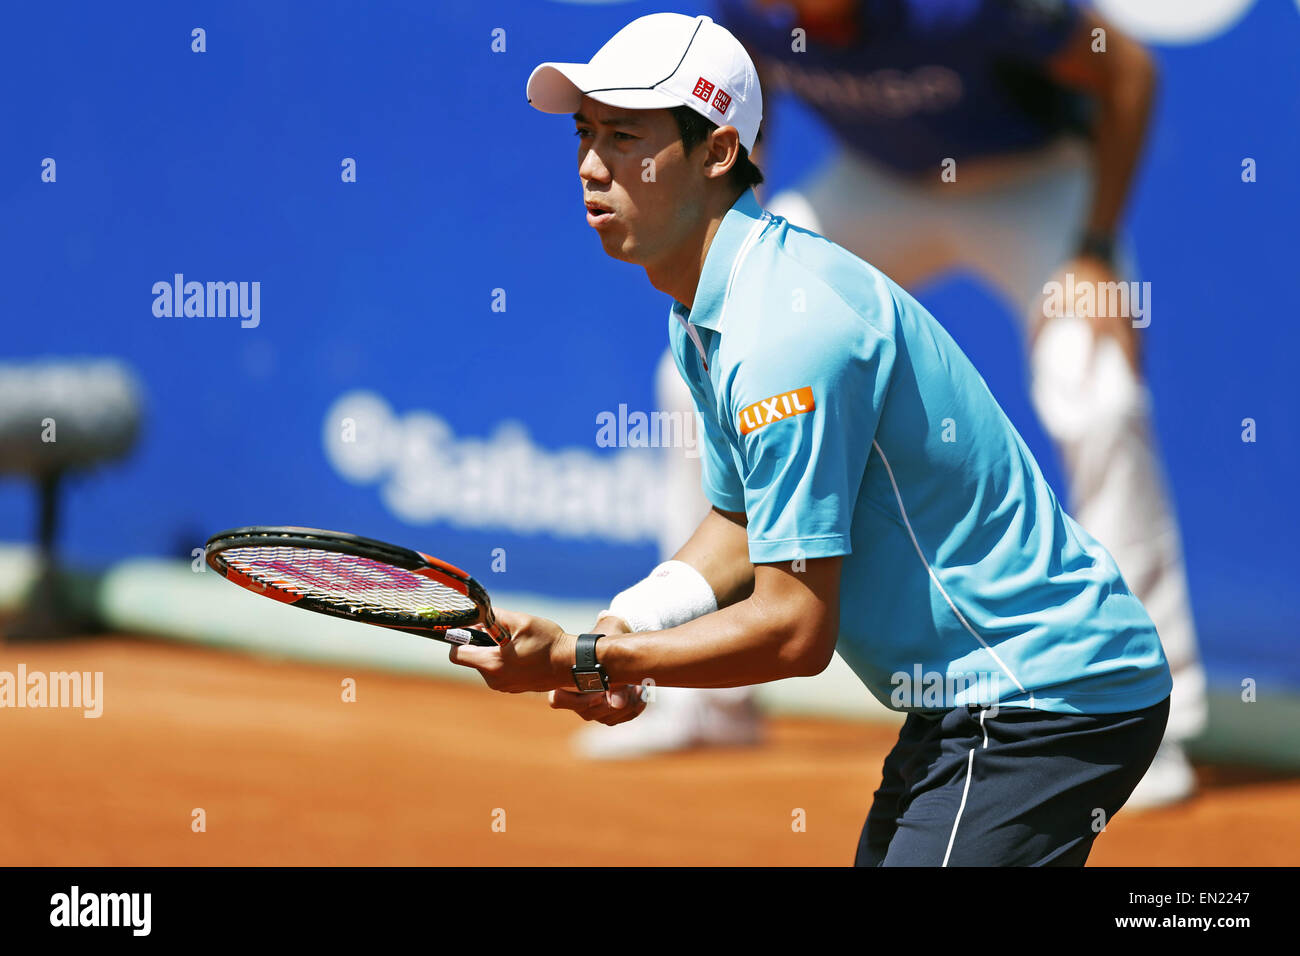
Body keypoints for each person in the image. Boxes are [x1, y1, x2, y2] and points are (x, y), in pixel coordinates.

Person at [451, 13, 1173, 866]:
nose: (589, 166)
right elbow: (742, 520)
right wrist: (628, 622)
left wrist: (594, 660)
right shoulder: (714, 307)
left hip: (1042, 698)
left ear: (718, 153)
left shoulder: (781, 334)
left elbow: (795, 629)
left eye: (623, 136)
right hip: (971, 700)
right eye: (583, 133)